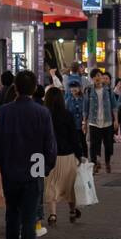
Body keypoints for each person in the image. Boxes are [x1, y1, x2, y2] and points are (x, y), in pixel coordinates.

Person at [0, 70, 57, 239]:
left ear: (16, 88)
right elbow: (50, 145)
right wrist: (46, 167)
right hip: (34, 169)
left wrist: (2, 163)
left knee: (12, 214)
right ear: (35, 88)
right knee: (29, 216)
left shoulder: (4, 111)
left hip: (11, 169)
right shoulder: (42, 113)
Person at [43, 86, 81, 226]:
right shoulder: (67, 115)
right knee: (69, 185)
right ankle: (72, 211)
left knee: (51, 185)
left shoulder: (44, 114)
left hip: (49, 156)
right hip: (67, 155)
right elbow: (74, 136)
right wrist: (79, 154)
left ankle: (53, 214)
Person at [84, 68, 119, 174]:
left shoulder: (108, 90)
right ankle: (94, 164)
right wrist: (84, 123)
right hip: (93, 122)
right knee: (93, 145)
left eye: (99, 75)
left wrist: (116, 120)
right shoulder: (88, 90)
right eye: (94, 76)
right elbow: (85, 108)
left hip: (107, 122)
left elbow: (114, 106)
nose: (97, 78)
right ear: (92, 79)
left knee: (108, 144)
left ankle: (107, 162)